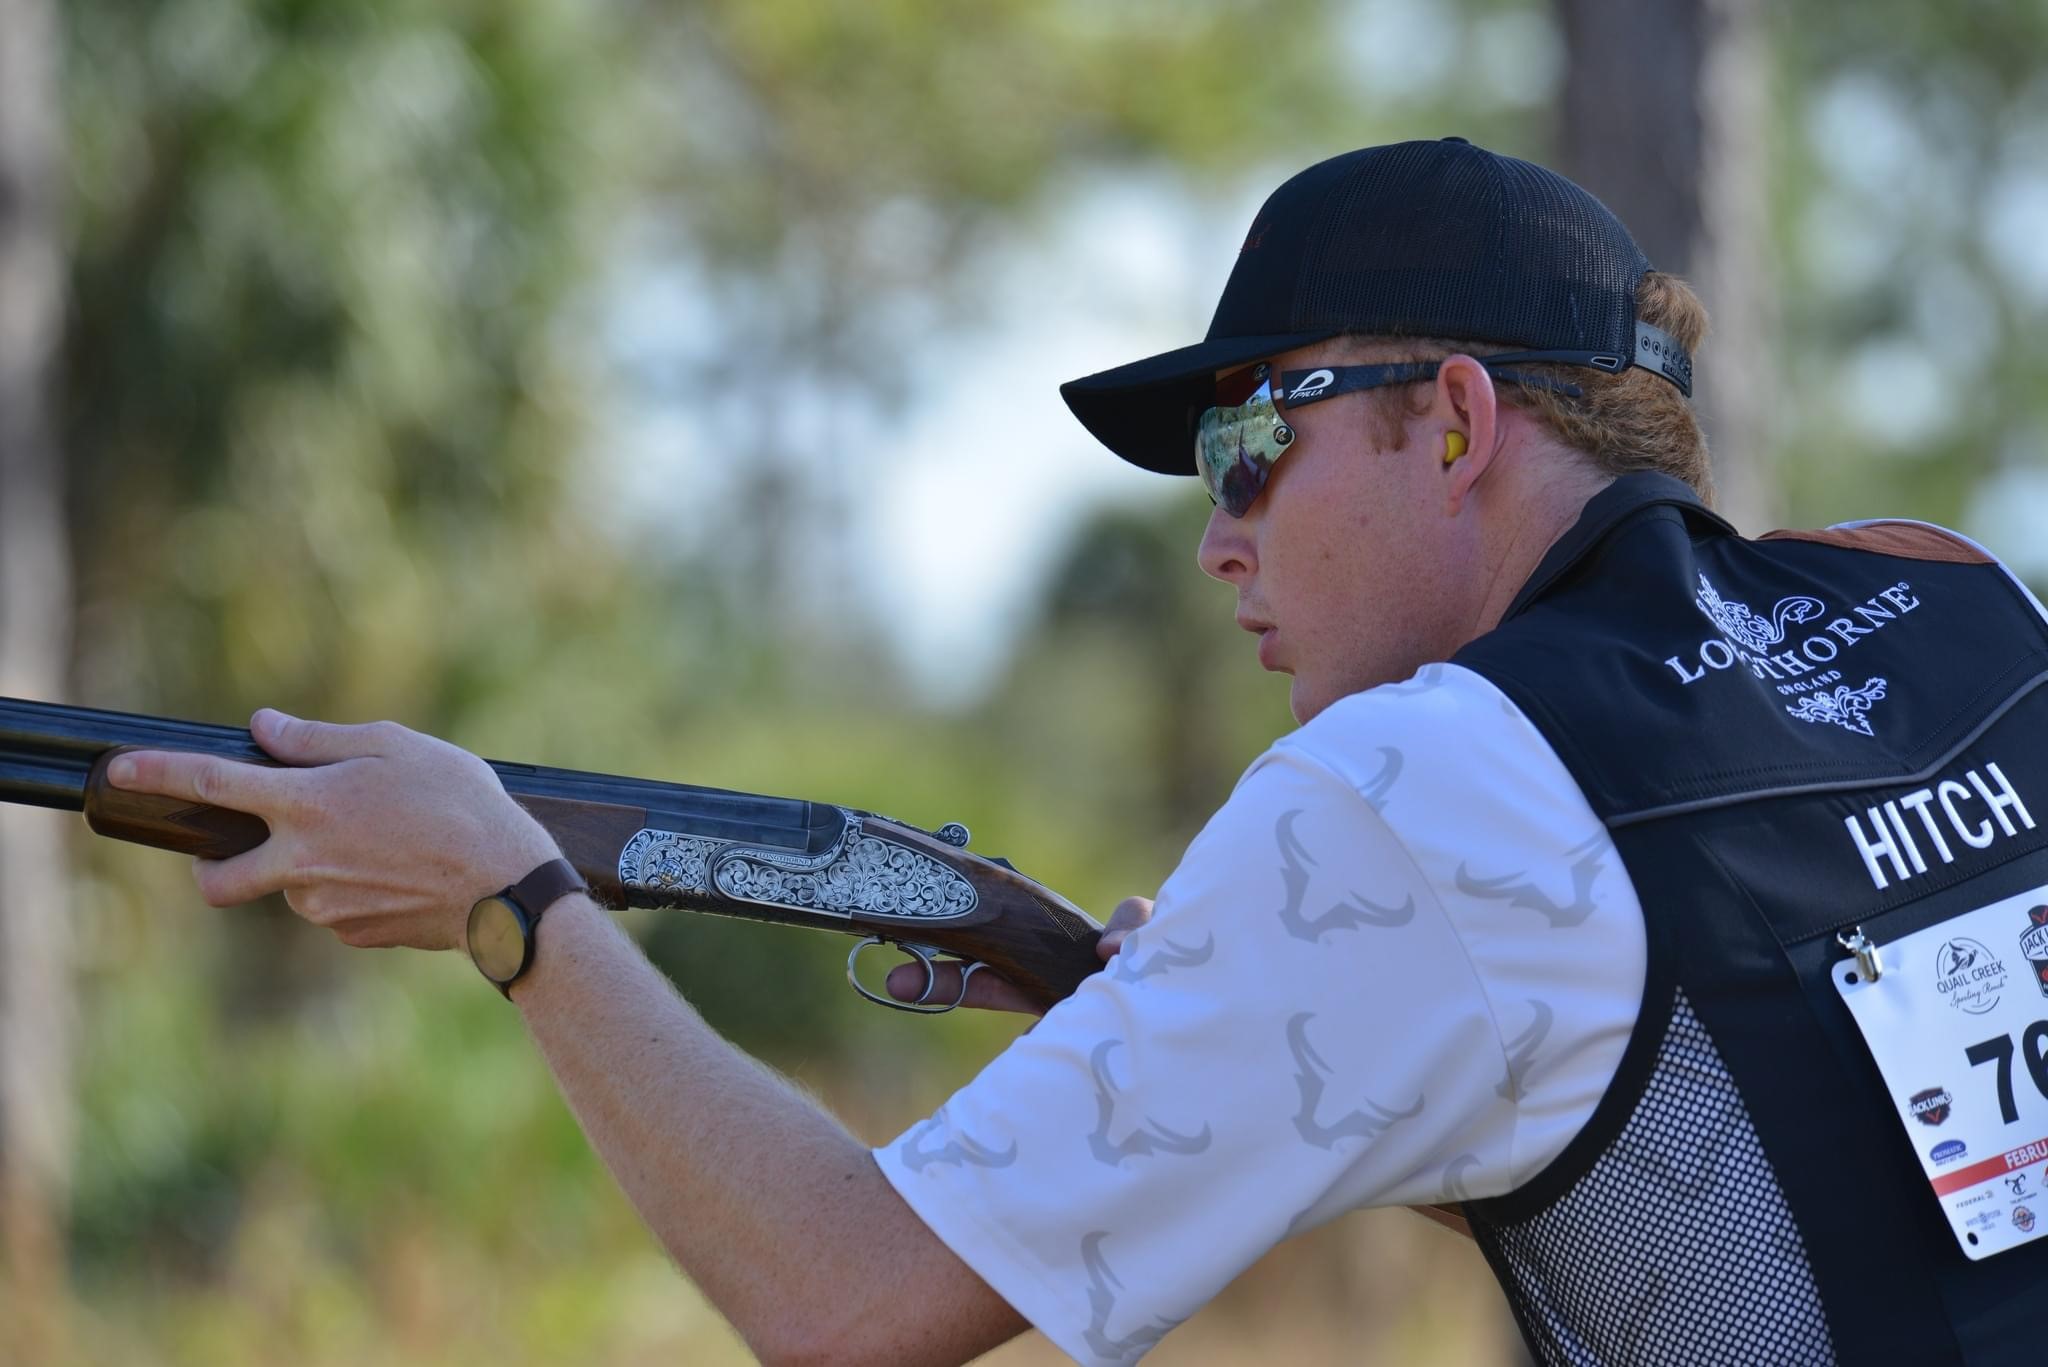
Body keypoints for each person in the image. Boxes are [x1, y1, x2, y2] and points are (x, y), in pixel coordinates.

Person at [109, 138, 2048, 1365]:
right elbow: (1775, 1138)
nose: (1215, 530)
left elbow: (841, 1301)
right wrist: (1172, 1022)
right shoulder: (1959, 604)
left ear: (1454, 424)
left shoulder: (1422, 794)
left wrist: (510, 895)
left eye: (1248, 441)